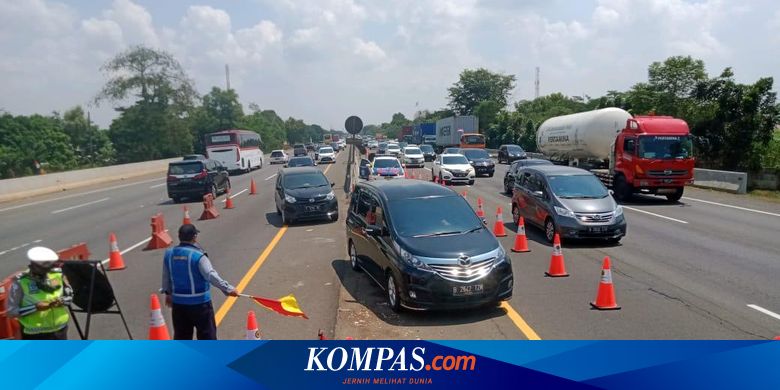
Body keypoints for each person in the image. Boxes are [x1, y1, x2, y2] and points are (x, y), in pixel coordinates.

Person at [161, 224, 238, 340]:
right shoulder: (198, 256)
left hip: (179, 304)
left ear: (179, 236)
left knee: (182, 337)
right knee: (207, 337)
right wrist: (228, 289)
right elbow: (210, 275)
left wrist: (168, 293)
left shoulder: (169, 254)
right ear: (195, 237)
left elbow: (166, 276)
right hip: (200, 304)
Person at [7, 246, 73, 340]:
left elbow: (70, 297)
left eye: (48, 268)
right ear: (33, 265)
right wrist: (35, 307)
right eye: (43, 268)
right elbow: (11, 312)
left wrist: (62, 301)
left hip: (60, 330)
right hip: (35, 334)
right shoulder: (20, 282)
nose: (46, 272)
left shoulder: (58, 275)